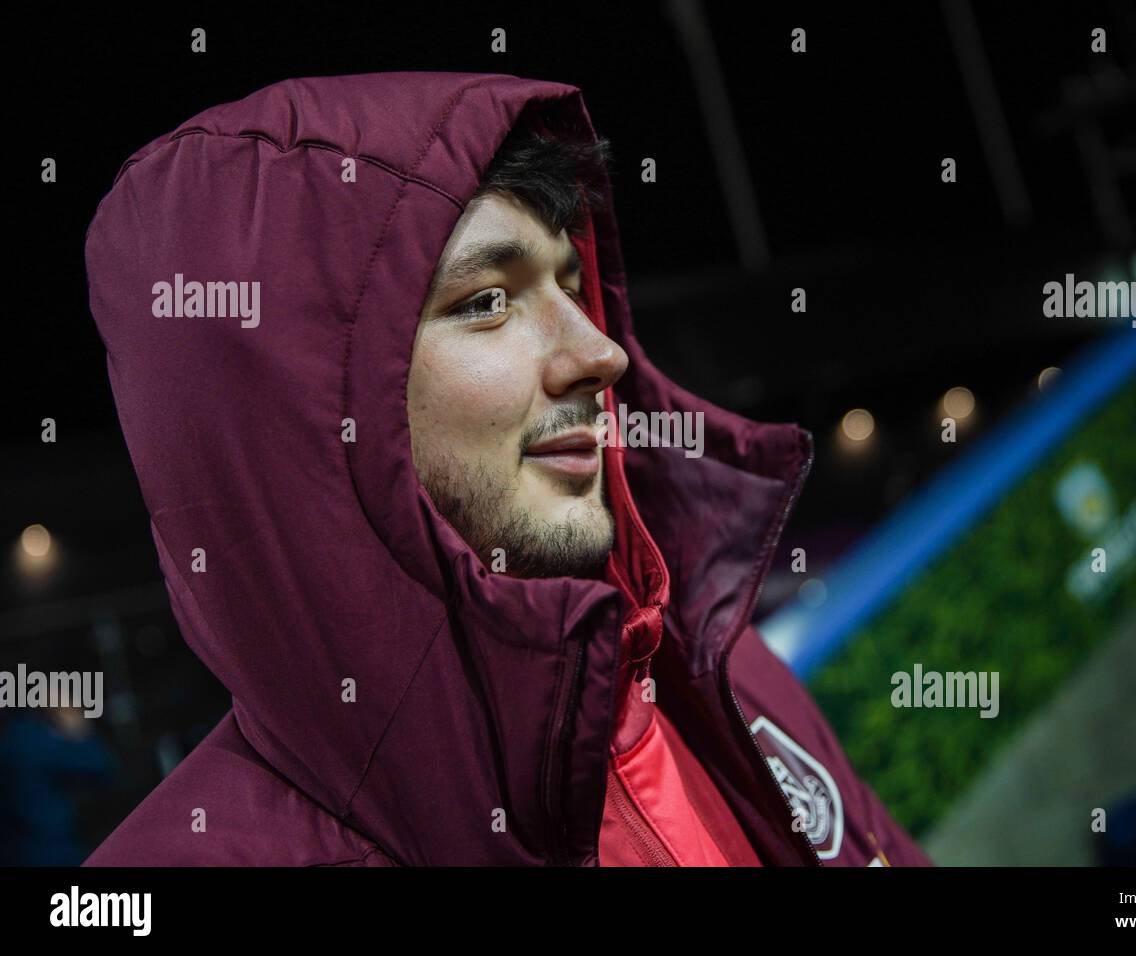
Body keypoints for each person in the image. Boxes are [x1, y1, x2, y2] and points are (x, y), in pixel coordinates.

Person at [82, 71, 930, 866]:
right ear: (295, 414)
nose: (597, 352)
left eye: (570, 282)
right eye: (487, 302)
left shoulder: (716, 669)